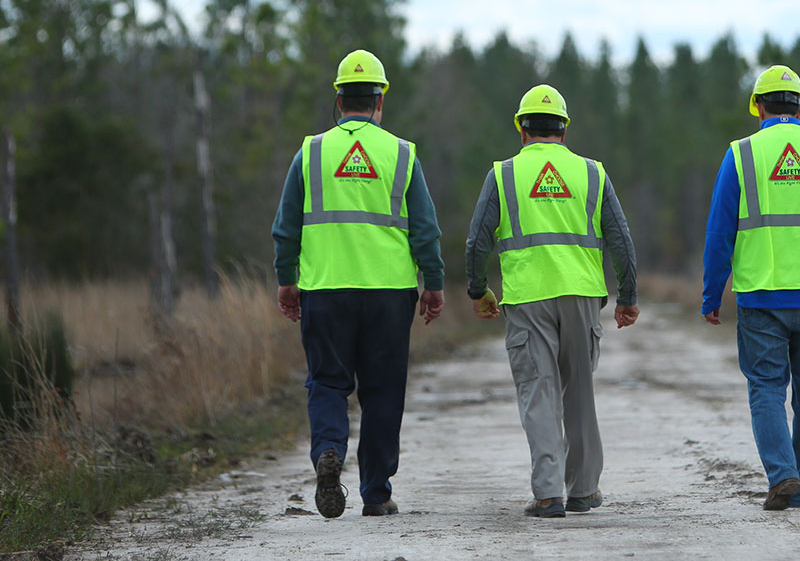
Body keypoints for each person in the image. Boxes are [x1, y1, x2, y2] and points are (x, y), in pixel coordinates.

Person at [271, 49, 446, 519]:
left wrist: (287, 281)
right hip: (389, 294)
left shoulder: (310, 152)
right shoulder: (402, 153)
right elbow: (424, 230)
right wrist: (433, 283)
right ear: (380, 99)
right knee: (383, 390)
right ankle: (375, 493)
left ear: (338, 97)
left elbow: (286, 228)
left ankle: (329, 450)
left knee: (327, 382)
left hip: (326, 290)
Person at [465, 84, 638, 518]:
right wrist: (628, 296)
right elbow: (620, 238)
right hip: (582, 297)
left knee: (538, 392)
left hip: (527, 300)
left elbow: (475, 243)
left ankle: (548, 494)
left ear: (521, 129)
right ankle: (583, 489)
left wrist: (477, 290)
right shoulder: (592, 173)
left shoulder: (503, 175)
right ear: (563, 128)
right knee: (578, 391)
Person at [701, 65, 800, 511]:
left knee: (767, 387)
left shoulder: (741, 155)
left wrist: (712, 294)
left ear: (758, 108)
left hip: (762, 298)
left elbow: (720, 233)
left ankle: (781, 473)